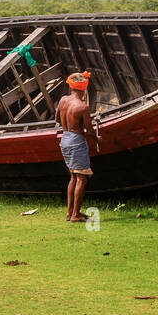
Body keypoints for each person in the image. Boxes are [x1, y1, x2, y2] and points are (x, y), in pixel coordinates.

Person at [56, 71, 99, 222]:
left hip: (65, 139)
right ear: (84, 88)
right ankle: (75, 215)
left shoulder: (63, 100)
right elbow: (89, 130)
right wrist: (97, 139)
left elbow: (57, 118)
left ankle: (70, 213)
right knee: (82, 178)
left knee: (73, 176)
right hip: (76, 141)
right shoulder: (83, 107)